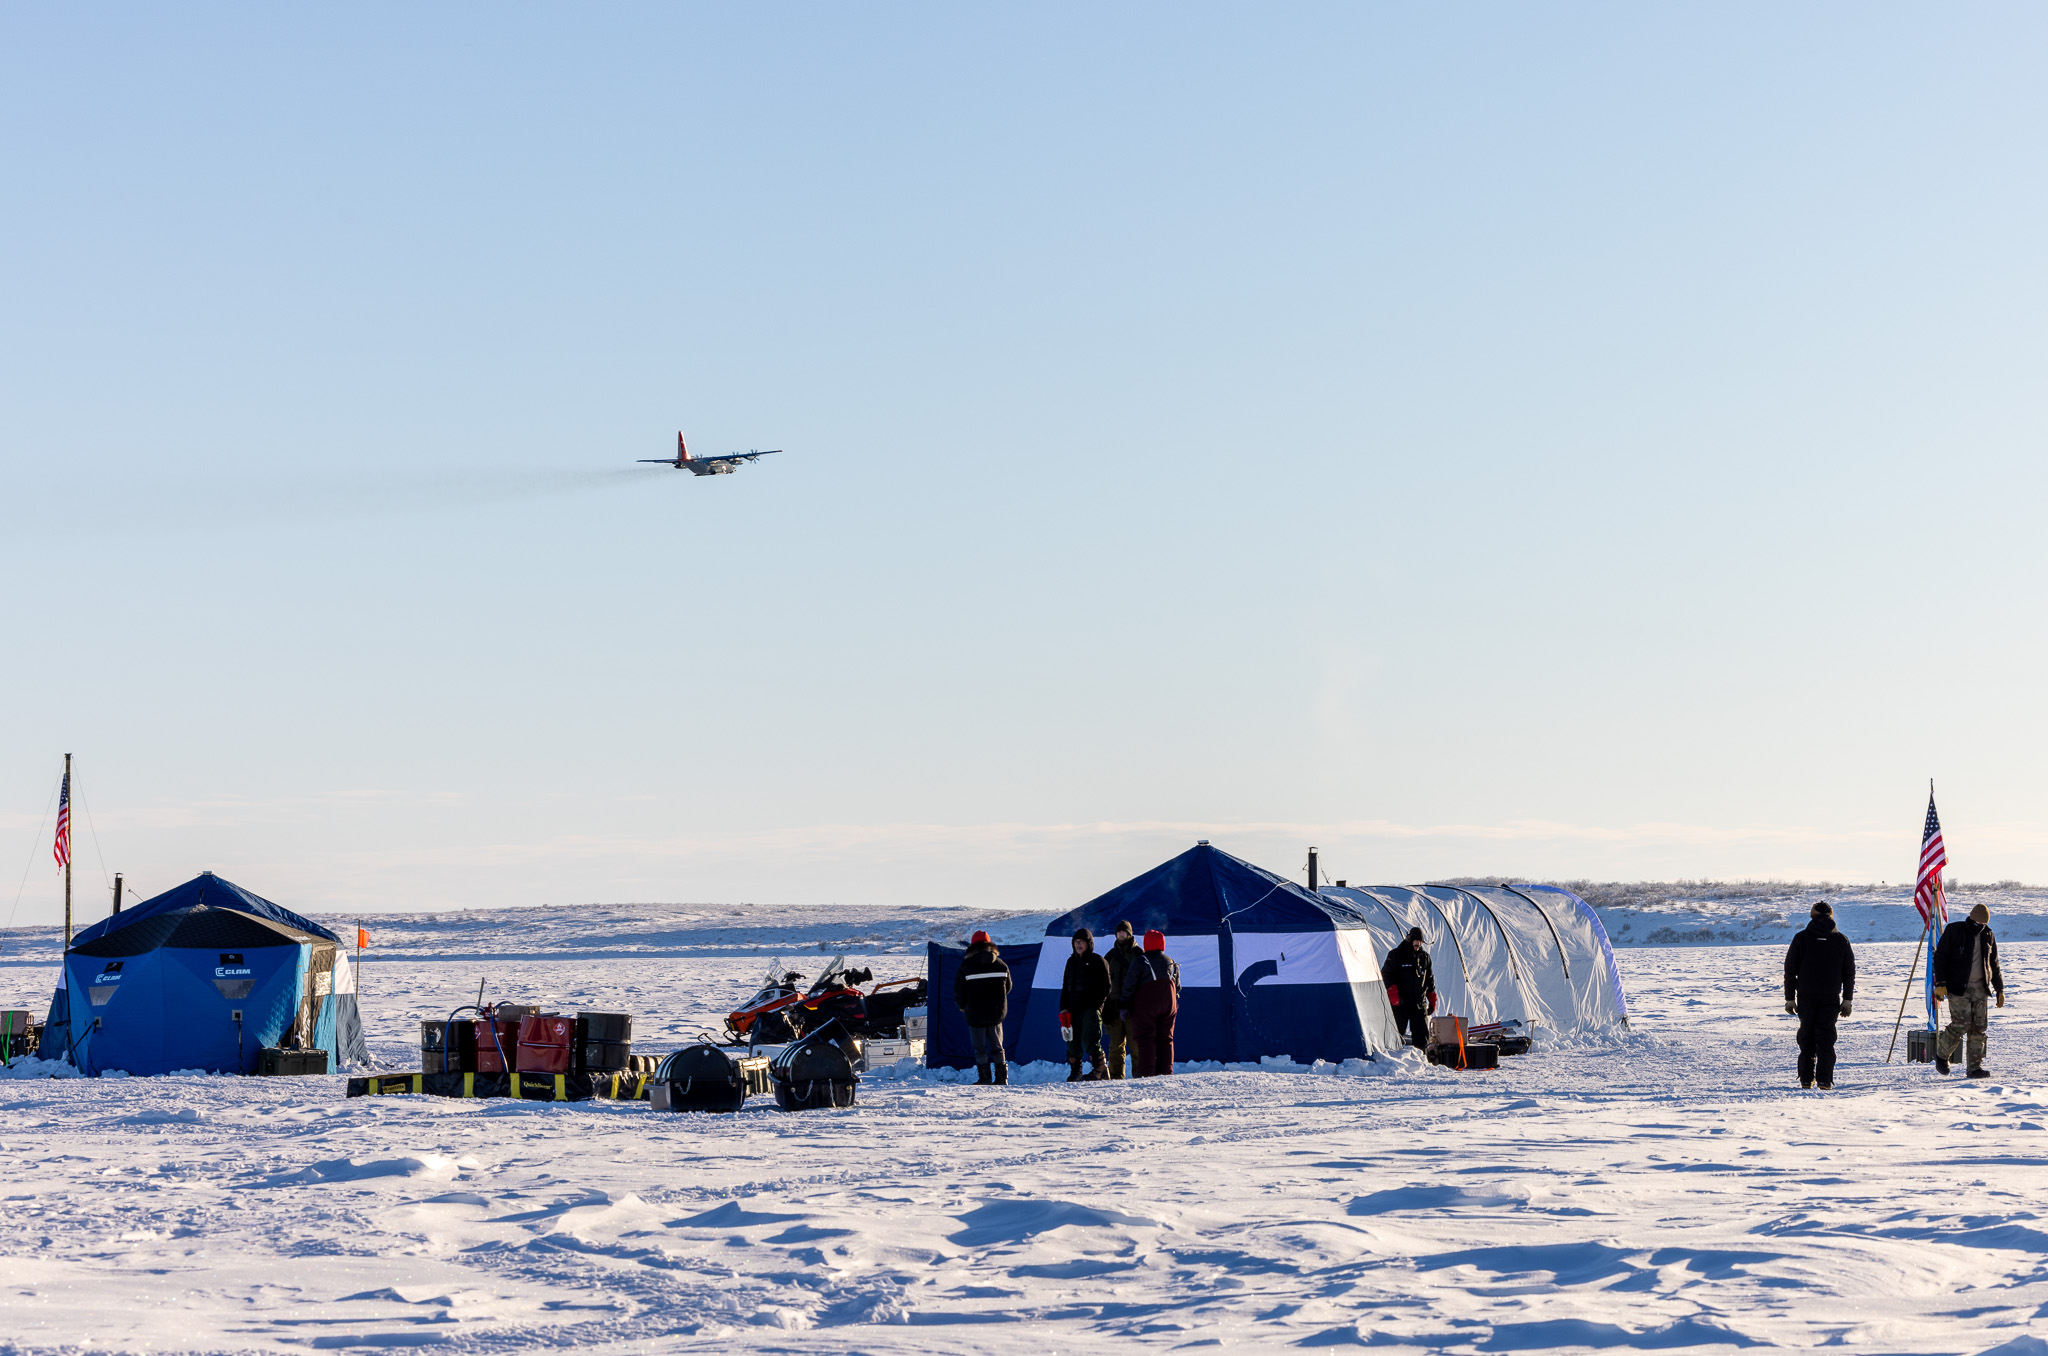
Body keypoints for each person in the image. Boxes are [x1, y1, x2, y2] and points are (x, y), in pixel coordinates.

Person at [1782, 901, 1856, 1090]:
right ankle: (1824, 1080)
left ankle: (1806, 1079)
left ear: (1811, 915)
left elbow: (1790, 970)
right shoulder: (1841, 940)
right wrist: (1847, 999)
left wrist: (1789, 997)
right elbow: (1849, 972)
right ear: (1831, 915)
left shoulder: (1801, 938)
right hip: (1830, 997)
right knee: (1826, 1038)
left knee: (1806, 1036)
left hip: (1806, 997)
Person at [1933, 903, 2006, 1078]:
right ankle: (1942, 1055)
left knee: (1978, 1028)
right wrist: (1940, 983)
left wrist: (1999, 989)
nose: (1980, 926)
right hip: (1959, 989)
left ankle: (1974, 1068)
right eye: (1978, 922)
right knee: (1961, 1024)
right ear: (1971, 918)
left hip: (1981, 989)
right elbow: (1940, 957)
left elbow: (1994, 964)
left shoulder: (1988, 935)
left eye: (1983, 924)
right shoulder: (1954, 931)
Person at [952, 929, 1012, 1085]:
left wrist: (963, 1006)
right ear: (990, 945)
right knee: (998, 1048)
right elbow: (1009, 987)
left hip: (975, 1014)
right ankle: (1002, 1078)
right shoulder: (1001, 965)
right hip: (996, 1014)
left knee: (980, 1049)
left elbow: (959, 991)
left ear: (972, 946)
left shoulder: (966, 965)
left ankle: (984, 1078)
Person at [1120, 929, 1180, 1077]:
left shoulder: (1141, 961)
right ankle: (1166, 1072)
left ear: (1147, 944)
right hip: (1169, 1004)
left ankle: (1147, 1074)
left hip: (1147, 1005)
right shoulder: (1171, 962)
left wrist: (1124, 1005)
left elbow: (1130, 984)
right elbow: (1177, 987)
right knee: (1166, 1039)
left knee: (1146, 1038)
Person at [1058, 927, 1111, 1081]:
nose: (1078, 945)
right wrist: (1063, 1008)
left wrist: (1096, 1005)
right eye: (1076, 942)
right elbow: (1065, 987)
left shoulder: (1098, 961)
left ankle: (1100, 1069)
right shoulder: (1070, 962)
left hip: (1090, 1009)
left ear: (1089, 943)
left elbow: (1106, 987)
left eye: (1081, 942)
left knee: (1091, 1039)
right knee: (1071, 1041)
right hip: (1071, 1009)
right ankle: (1076, 1072)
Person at [1380, 927, 1436, 1050]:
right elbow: (1386, 974)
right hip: (1401, 1003)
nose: (1418, 944)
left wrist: (1432, 998)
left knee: (1422, 1037)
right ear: (1409, 939)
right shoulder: (1396, 955)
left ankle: (1422, 1061)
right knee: (1396, 1034)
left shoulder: (1425, 958)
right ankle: (1393, 1061)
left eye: (1420, 941)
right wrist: (1392, 992)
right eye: (1415, 941)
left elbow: (1429, 980)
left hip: (1419, 1004)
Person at [1101, 920, 1139, 1079]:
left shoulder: (1139, 955)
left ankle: (1139, 1075)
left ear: (1129, 934)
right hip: (1114, 1008)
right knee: (1115, 1046)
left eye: (1124, 932)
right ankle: (1116, 1077)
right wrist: (1105, 1006)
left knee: (1136, 1045)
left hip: (1133, 1008)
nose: (1121, 935)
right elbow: (1102, 982)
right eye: (1118, 932)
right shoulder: (1110, 956)